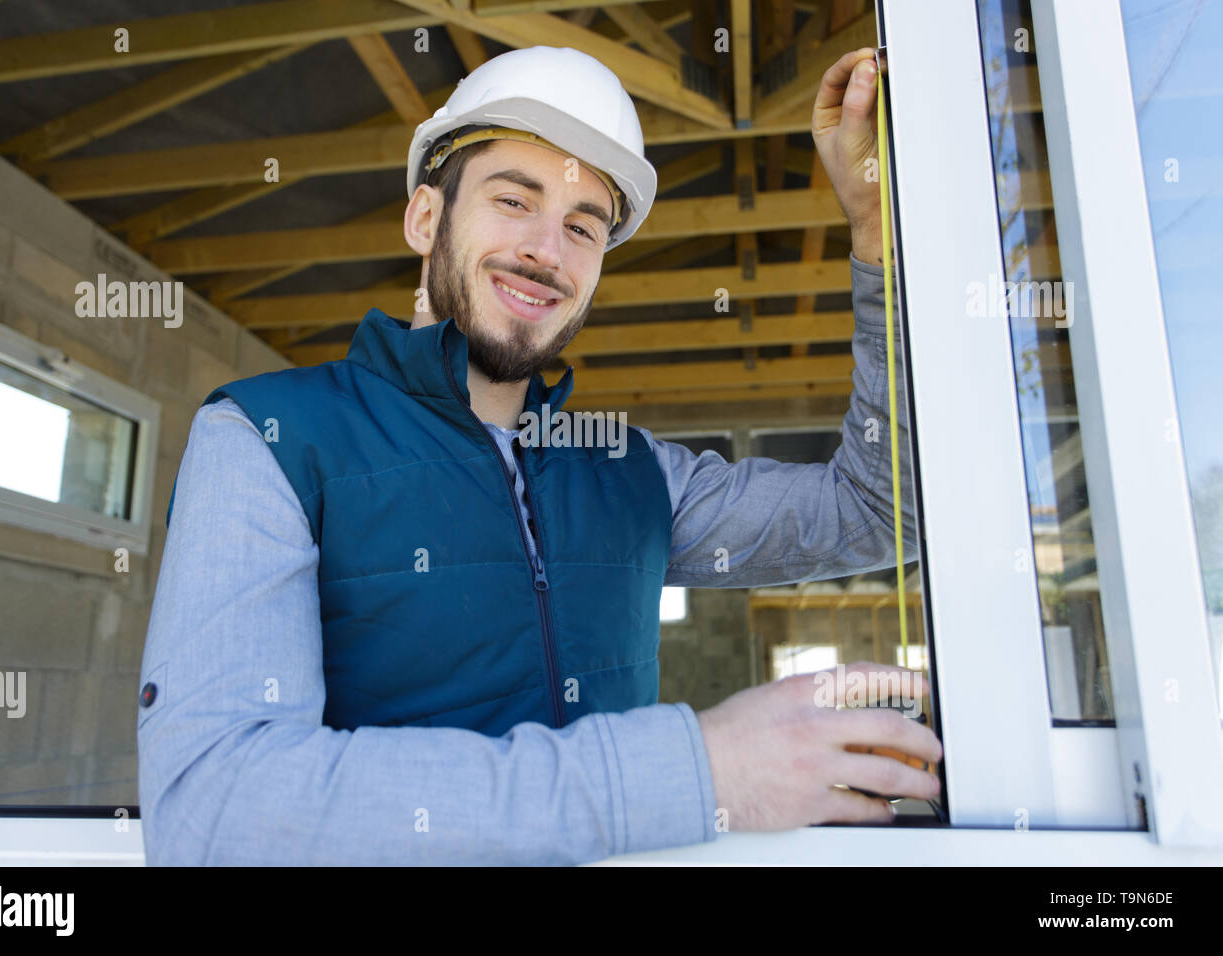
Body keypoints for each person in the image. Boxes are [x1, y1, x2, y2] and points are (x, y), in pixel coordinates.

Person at [137, 44, 942, 865]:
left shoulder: (632, 476)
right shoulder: (267, 440)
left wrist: (876, 234)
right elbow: (214, 810)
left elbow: (887, 512)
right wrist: (701, 771)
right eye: (513, 200)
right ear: (425, 218)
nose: (546, 251)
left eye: (582, 227)